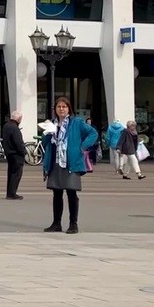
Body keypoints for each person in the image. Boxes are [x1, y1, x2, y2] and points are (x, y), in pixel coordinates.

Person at [41, 96, 99, 234]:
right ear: (55, 109)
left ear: (68, 109)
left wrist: (82, 147)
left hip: (70, 163)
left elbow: (93, 133)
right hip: (55, 162)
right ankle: (56, 223)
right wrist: (47, 132)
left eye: (64, 107)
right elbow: (45, 142)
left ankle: (73, 224)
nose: (61, 109)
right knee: (57, 193)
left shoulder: (76, 122)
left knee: (71, 193)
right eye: (58, 107)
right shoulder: (52, 124)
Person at [2, 110, 26, 200]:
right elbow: (18, 142)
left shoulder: (6, 126)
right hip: (16, 154)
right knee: (16, 174)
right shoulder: (15, 128)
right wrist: (23, 152)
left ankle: (9, 193)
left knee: (10, 173)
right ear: (19, 119)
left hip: (9, 153)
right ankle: (12, 194)